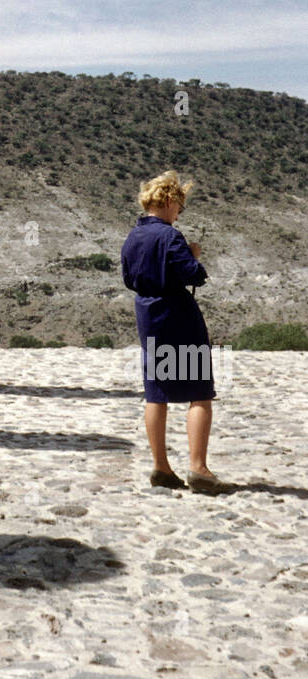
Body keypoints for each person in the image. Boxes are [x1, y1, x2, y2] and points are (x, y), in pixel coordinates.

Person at [120, 170, 228, 495]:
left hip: (149, 316)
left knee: (157, 393)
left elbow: (128, 278)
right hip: (179, 317)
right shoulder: (170, 236)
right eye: (179, 207)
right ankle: (198, 468)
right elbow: (194, 275)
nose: (179, 213)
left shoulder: (132, 238)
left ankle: (161, 467)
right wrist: (194, 257)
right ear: (169, 201)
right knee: (199, 393)